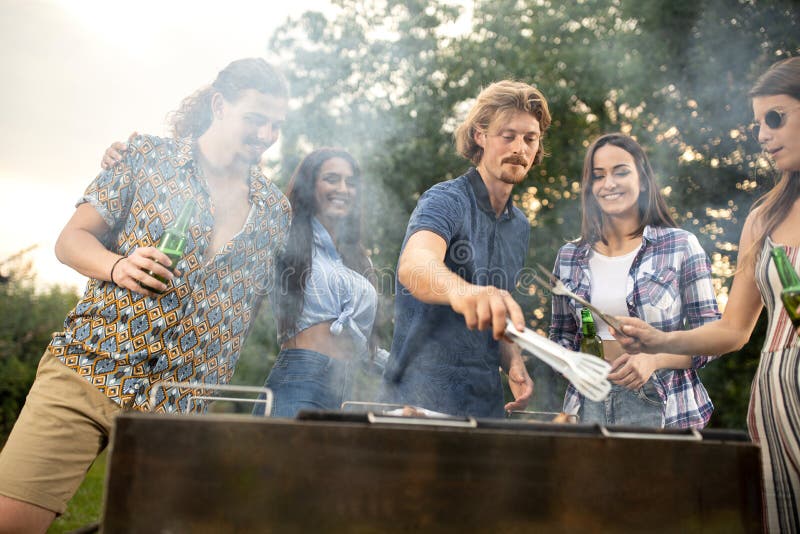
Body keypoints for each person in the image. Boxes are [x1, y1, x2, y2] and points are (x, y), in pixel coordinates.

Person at [0, 58, 292, 532]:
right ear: (219, 105)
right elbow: (70, 241)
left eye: (276, 125)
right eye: (255, 119)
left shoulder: (275, 210)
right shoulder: (144, 156)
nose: (265, 134)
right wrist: (119, 264)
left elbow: (258, 303)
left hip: (179, 405)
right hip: (92, 367)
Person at [615, 57, 800, 531]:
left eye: (775, 118)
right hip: (778, 393)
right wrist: (659, 341)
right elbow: (734, 330)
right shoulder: (762, 219)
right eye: (757, 123)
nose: (762, 134)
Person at [380, 80, 545, 417]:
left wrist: (513, 361)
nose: (520, 148)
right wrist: (465, 291)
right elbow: (415, 266)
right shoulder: (445, 199)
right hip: (418, 401)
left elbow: (494, 314)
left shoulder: (520, 226)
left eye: (530, 139)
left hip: (485, 408)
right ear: (480, 136)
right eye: (507, 135)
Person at [548, 133, 720, 428]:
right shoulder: (569, 257)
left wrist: (654, 359)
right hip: (588, 402)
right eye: (598, 176)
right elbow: (561, 334)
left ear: (643, 179)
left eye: (621, 171)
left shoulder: (679, 246)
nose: (609, 184)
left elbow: (713, 338)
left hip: (663, 402)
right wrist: (567, 361)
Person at [252, 147, 379, 417]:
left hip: (347, 390)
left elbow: (364, 345)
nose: (343, 188)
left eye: (351, 182)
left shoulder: (358, 259)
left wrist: (408, 371)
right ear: (310, 185)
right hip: (300, 380)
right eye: (332, 179)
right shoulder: (285, 236)